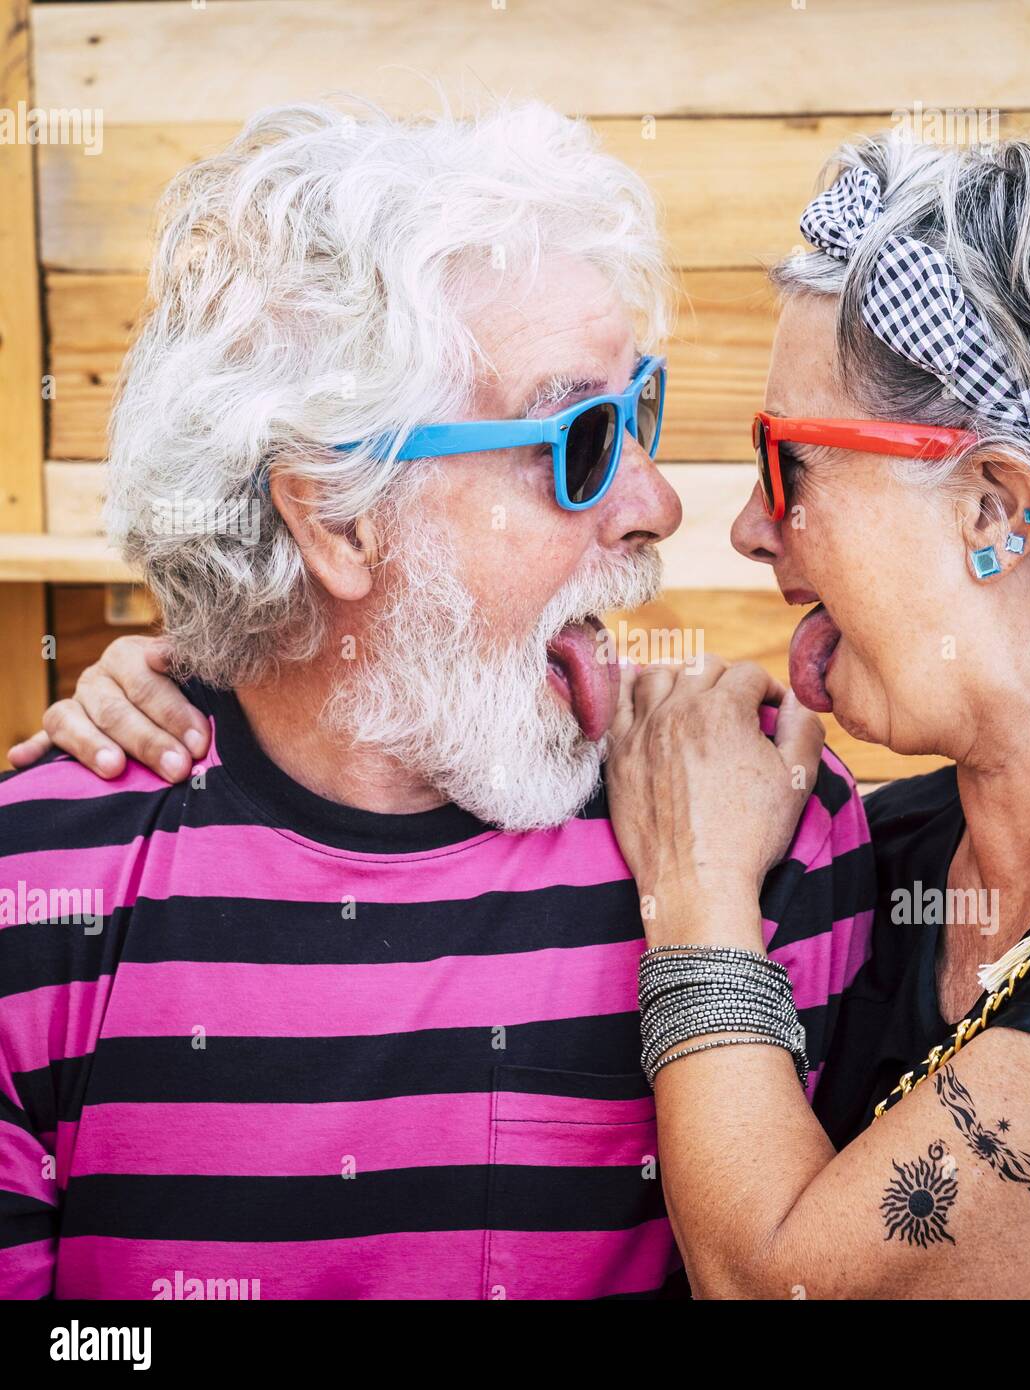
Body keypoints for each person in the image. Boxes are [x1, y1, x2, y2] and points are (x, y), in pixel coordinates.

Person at [0, 100, 871, 1300]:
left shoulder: (756, 821)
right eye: (576, 437)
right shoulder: (34, 891)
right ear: (338, 518)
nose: (658, 503)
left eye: (640, 412)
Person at [598, 132, 1030, 1297]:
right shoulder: (889, 844)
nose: (749, 530)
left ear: (994, 504)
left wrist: (698, 900)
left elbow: (789, 1288)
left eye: (789, 467)